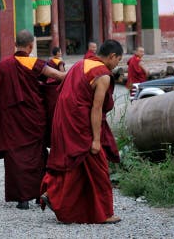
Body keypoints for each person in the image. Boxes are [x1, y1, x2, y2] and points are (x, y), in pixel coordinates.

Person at [0, 29, 65, 209]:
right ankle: (40, 194)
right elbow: (59, 77)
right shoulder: (34, 63)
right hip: (33, 118)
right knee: (38, 155)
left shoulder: (3, 66)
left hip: (12, 121)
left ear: (15, 45)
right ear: (31, 46)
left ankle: (22, 199)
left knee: (15, 156)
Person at [40, 39, 123, 224]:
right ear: (111, 56)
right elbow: (97, 109)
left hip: (63, 120)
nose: (118, 64)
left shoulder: (80, 64)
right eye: (118, 60)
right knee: (99, 167)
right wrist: (96, 140)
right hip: (80, 124)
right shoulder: (102, 75)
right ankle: (105, 213)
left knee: (75, 163)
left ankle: (52, 192)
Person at [41, 46, 66, 148]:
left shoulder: (49, 61)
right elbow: (62, 74)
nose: (60, 53)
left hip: (48, 87)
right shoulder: (59, 62)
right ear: (57, 53)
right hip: (56, 87)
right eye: (59, 52)